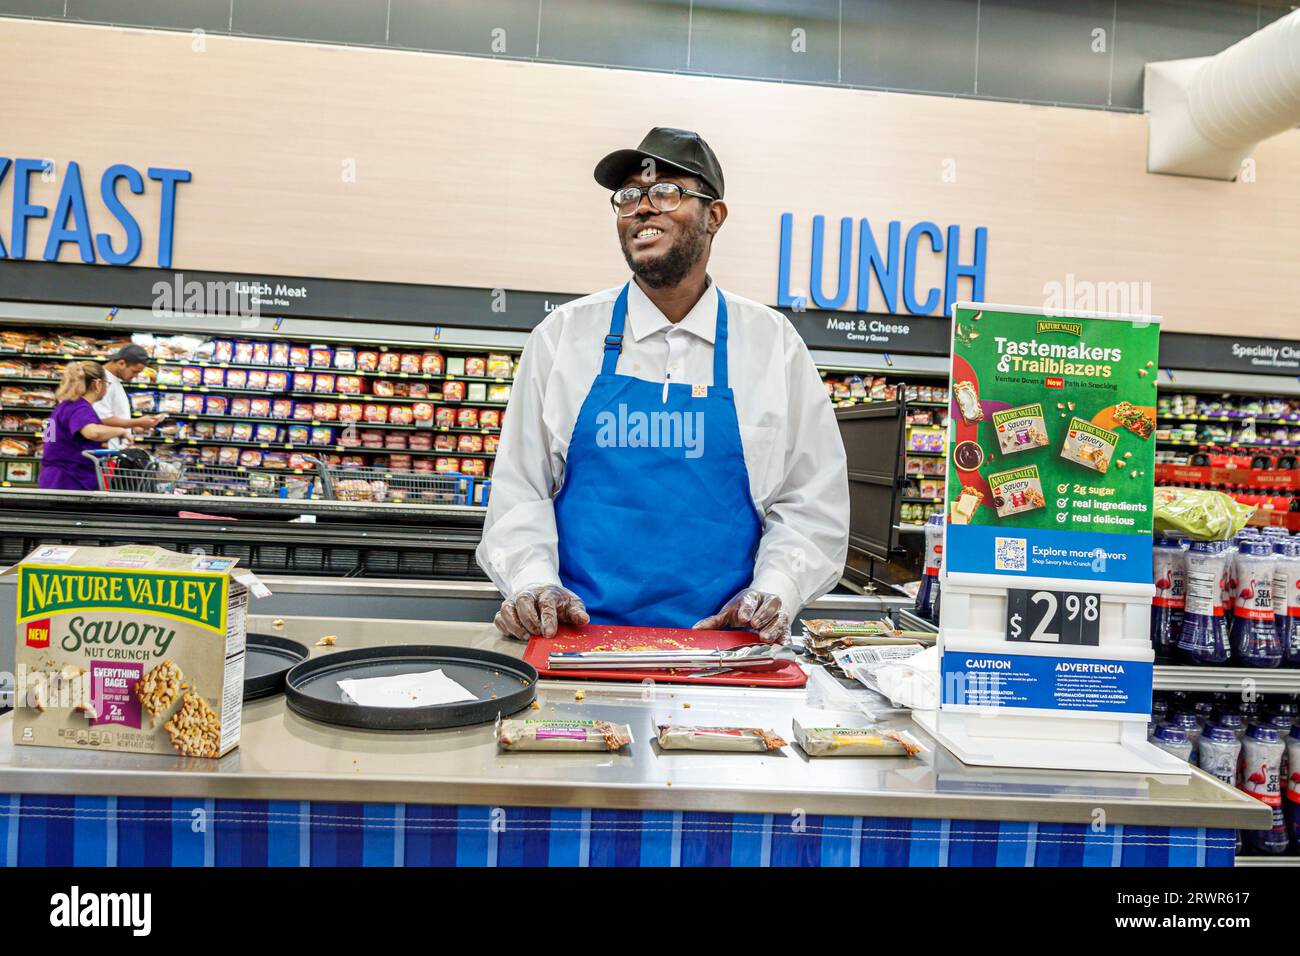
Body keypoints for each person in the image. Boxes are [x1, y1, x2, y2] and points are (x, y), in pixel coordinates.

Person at [478, 127, 848, 644]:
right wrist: (532, 582)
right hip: (576, 646)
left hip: (725, 649)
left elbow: (811, 501)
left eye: (666, 192)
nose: (642, 209)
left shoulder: (772, 345)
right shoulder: (562, 337)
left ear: (714, 216)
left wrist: (775, 588)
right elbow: (521, 491)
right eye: (628, 197)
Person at [38, 362, 132, 491]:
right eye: (107, 384)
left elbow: (69, 440)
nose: (107, 388)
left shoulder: (64, 406)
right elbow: (92, 432)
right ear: (97, 384)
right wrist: (121, 431)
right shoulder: (80, 408)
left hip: (53, 478)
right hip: (70, 481)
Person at [94, 343, 163, 449]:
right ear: (121, 363)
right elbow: (101, 419)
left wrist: (134, 426)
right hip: (106, 451)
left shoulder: (113, 381)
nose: (135, 376)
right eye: (135, 371)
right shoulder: (104, 382)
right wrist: (138, 421)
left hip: (115, 449)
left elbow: (113, 415)